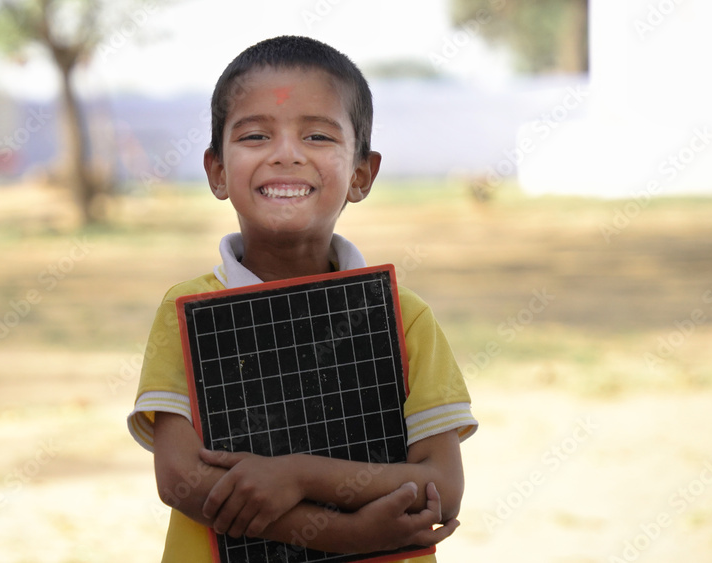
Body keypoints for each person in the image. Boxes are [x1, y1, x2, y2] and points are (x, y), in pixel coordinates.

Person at [127, 35, 478, 562]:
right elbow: (180, 478)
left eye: (317, 135)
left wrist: (298, 475)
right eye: (255, 136)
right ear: (217, 171)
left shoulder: (402, 317)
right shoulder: (187, 311)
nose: (286, 154)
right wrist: (346, 535)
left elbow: (443, 488)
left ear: (361, 173)